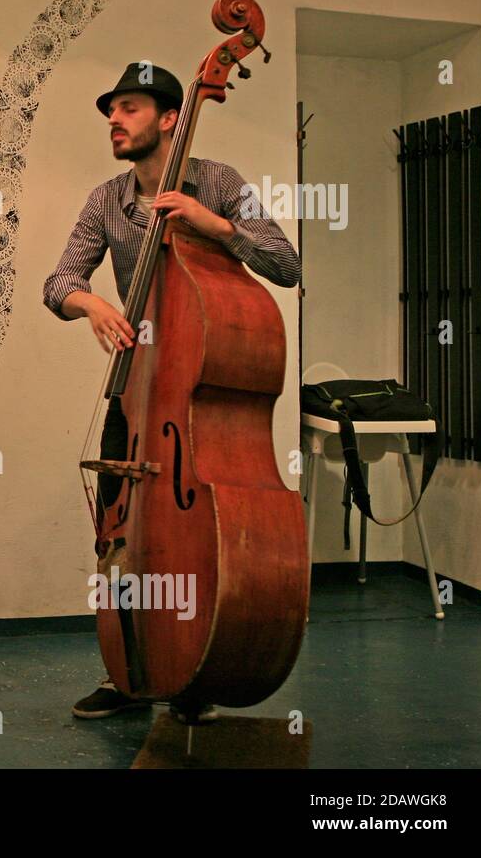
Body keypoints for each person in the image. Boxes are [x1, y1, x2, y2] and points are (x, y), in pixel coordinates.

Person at [42, 62, 300, 721]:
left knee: (199, 541)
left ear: (168, 119)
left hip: (194, 404)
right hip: (133, 399)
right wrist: (90, 305)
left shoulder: (220, 184)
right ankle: (129, 672)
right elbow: (59, 280)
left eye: (128, 107)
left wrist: (211, 224)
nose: (114, 120)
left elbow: (285, 262)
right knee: (121, 542)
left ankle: (194, 667)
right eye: (110, 110)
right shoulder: (107, 200)